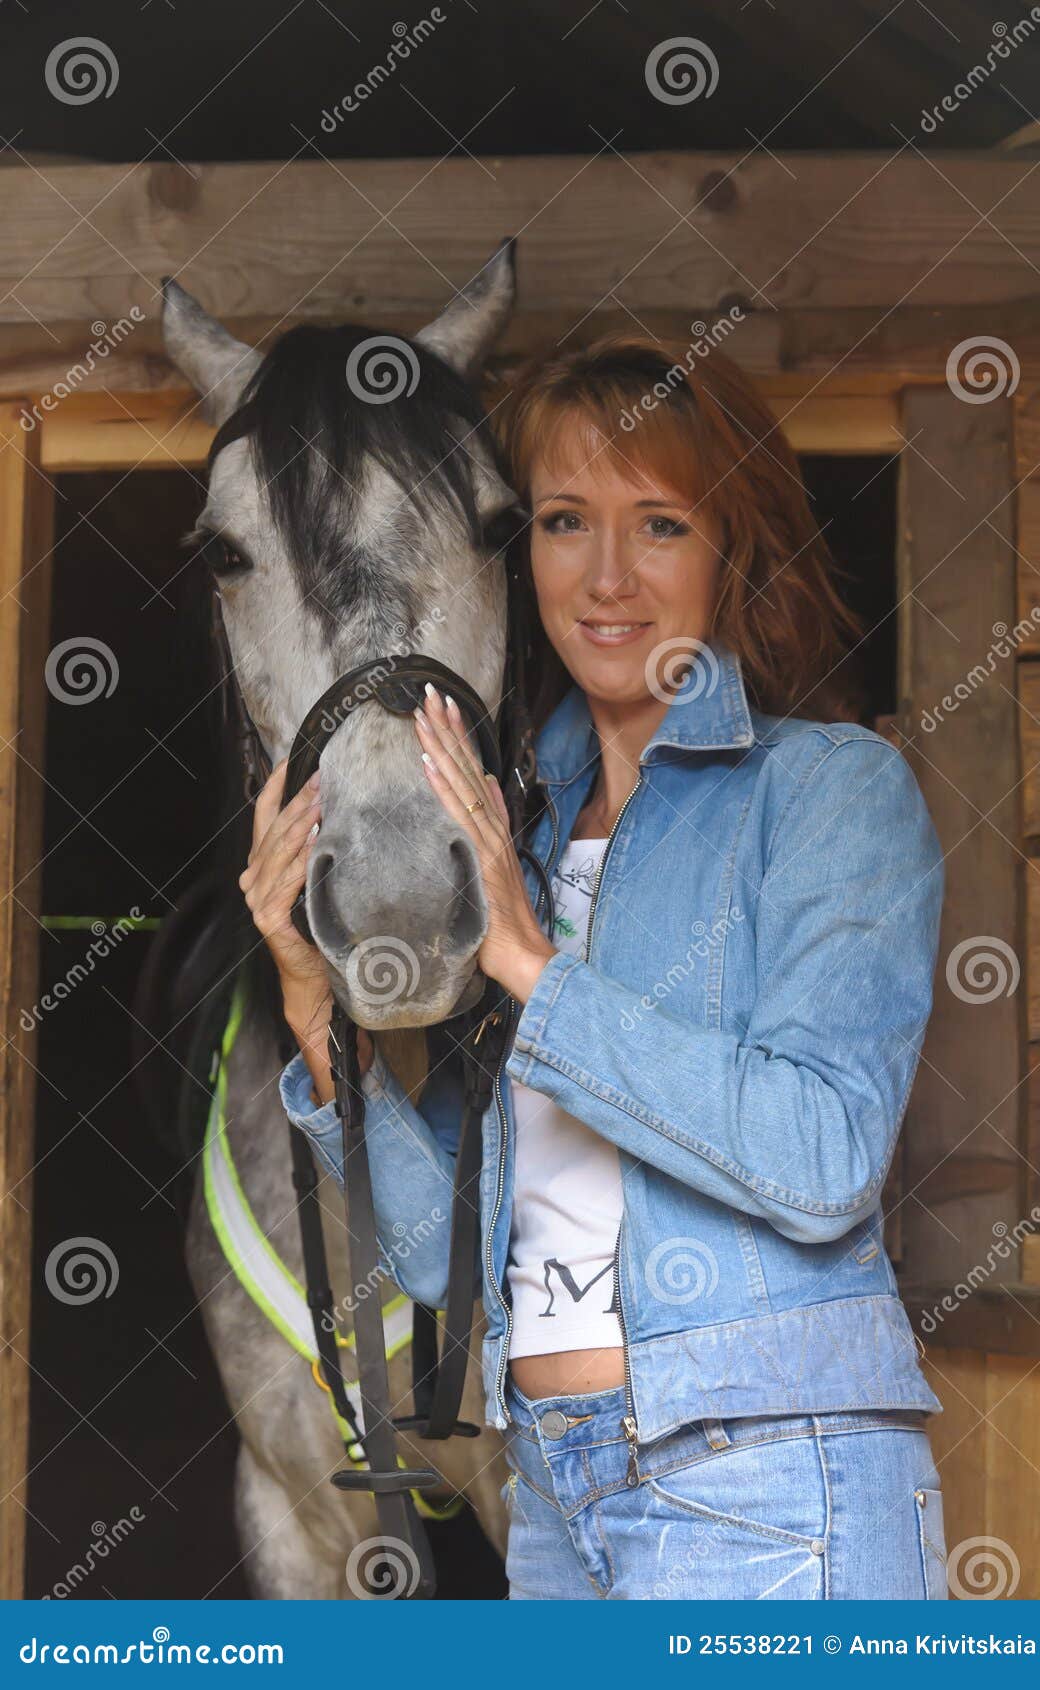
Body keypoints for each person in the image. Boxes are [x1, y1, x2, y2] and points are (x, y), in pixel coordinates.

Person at [243, 333, 949, 1600]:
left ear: (734, 546)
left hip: (765, 1478)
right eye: (566, 520)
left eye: (662, 524)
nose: (607, 574)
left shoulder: (829, 792)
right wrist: (311, 1004)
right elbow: (433, 1254)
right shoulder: (515, 838)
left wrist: (530, 962)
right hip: (556, 1491)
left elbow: (824, 1154)